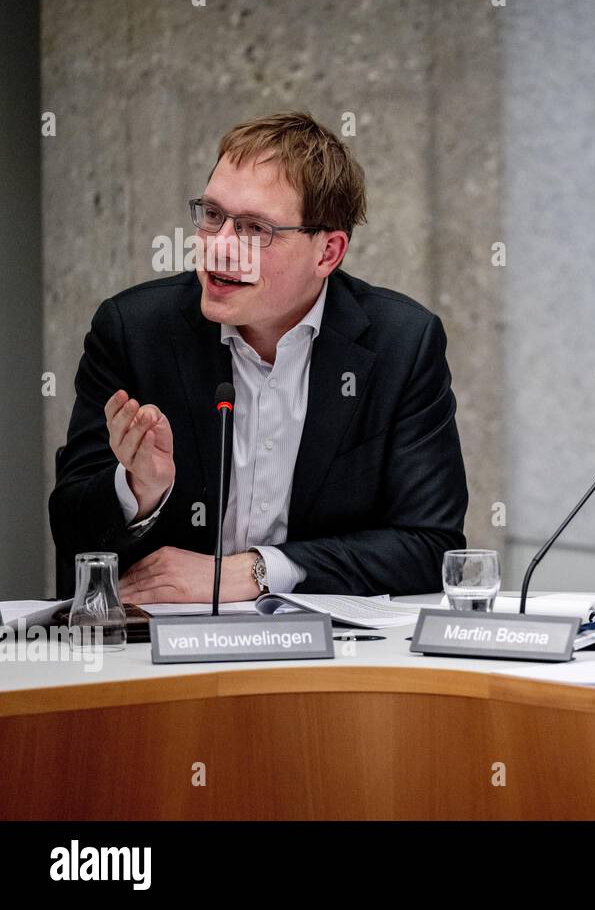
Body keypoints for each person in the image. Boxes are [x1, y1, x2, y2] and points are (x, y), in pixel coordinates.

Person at [49, 111, 468, 603]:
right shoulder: (134, 331)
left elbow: (430, 545)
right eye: (212, 216)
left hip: (328, 651)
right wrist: (139, 491)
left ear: (328, 253)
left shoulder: (401, 344)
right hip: (157, 651)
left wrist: (257, 571)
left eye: (254, 229)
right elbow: (72, 535)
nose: (220, 248)